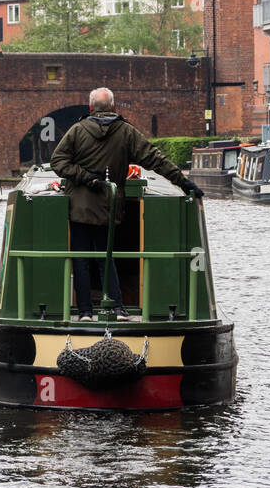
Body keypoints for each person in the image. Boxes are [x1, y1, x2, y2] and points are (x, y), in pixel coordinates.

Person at [51, 87, 203, 322]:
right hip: (108, 207)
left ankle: (84, 312)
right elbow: (155, 159)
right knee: (106, 257)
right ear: (113, 107)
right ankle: (118, 308)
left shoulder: (77, 131)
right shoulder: (126, 132)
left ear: (90, 108)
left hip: (79, 207)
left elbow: (58, 161)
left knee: (80, 259)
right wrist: (183, 182)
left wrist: (84, 177)